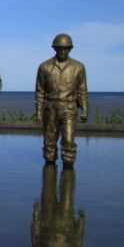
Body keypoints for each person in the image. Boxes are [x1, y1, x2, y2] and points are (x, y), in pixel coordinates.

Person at [31, 164, 86, 247]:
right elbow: (78, 241)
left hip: (50, 219)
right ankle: (61, 168)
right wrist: (81, 222)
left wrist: (36, 215)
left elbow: (35, 235)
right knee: (62, 186)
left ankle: (65, 167)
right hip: (64, 221)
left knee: (55, 186)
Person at [35, 34, 88, 166]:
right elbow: (40, 91)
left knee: (69, 140)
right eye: (59, 48)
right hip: (50, 107)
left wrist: (84, 109)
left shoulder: (78, 67)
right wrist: (39, 112)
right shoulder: (44, 67)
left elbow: (82, 90)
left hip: (69, 107)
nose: (62, 51)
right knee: (49, 140)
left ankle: (68, 170)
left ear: (70, 49)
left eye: (65, 48)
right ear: (55, 49)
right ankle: (49, 169)